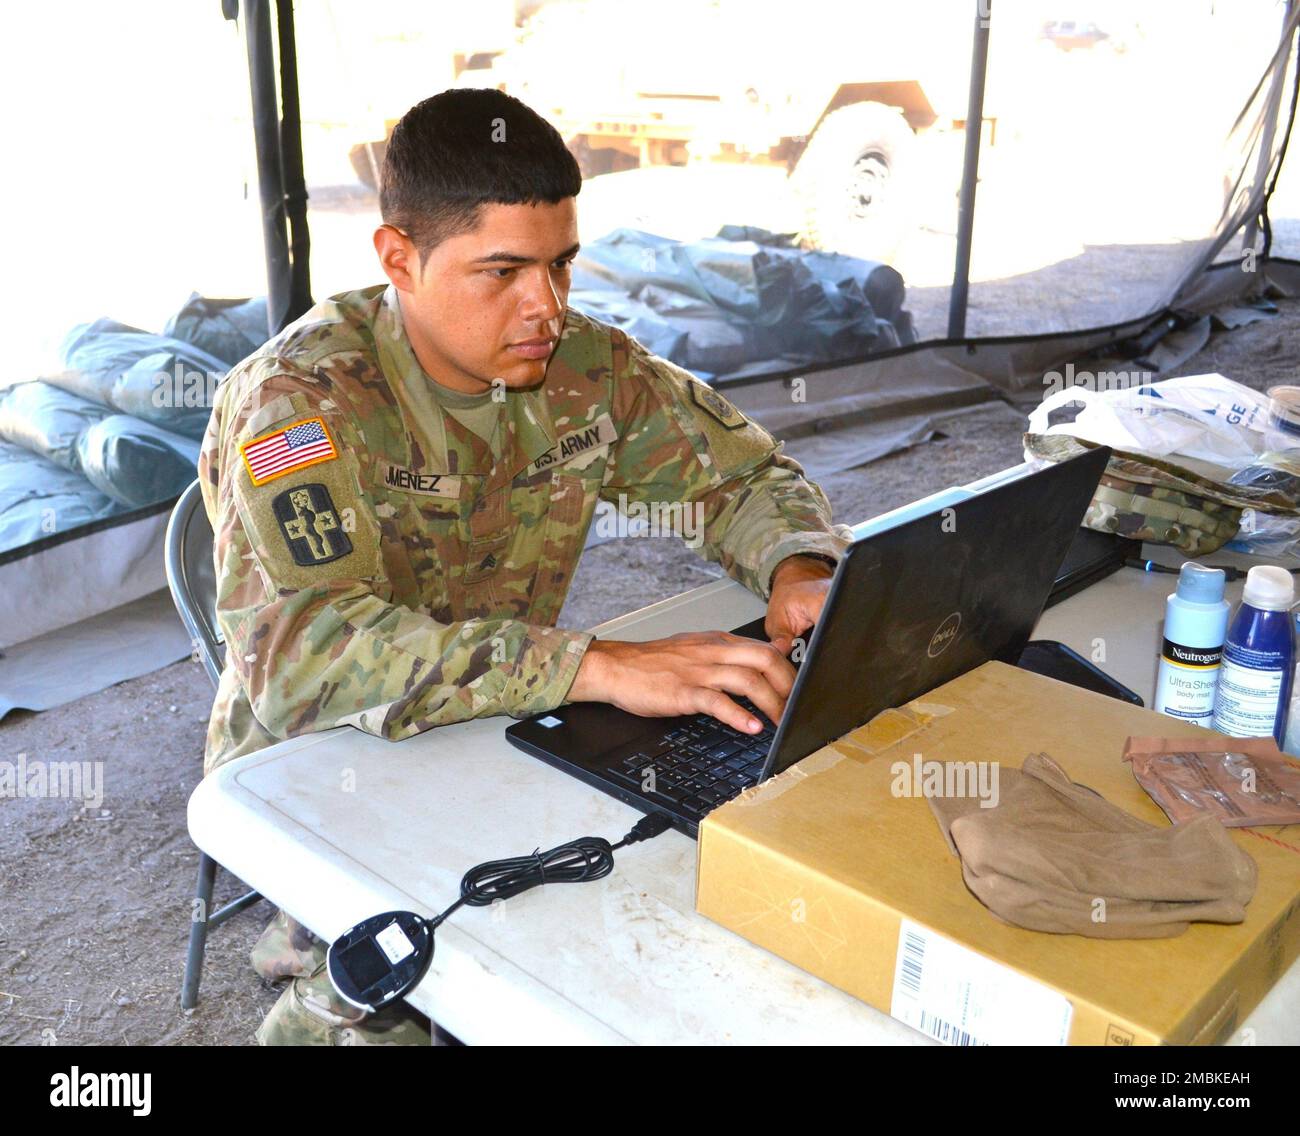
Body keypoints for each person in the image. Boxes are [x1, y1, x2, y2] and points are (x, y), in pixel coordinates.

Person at [198, 87, 853, 1045]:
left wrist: (797, 566)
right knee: (432, 979)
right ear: (399, 258)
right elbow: (310, 662)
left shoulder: (582, 365)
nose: (544, 306)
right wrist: (598, 667)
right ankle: (324, 985)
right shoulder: (302, 408)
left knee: (653, 895)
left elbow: (738, 476)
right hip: (327, 759)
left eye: (560, 266)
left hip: (502, 714)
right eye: (502, 271)